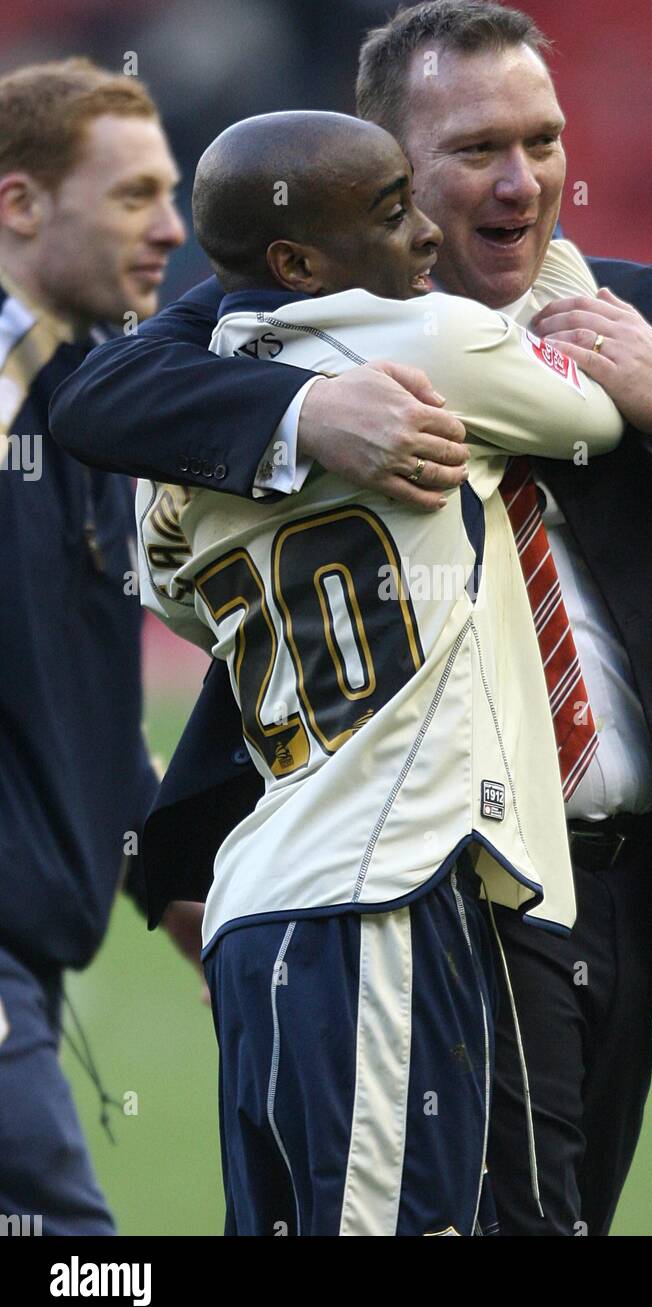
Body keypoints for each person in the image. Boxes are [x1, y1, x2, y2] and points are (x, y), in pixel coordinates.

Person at [49, 0, 652, 1237]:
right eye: (475, 152)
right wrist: (307, 420)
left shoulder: (631, 311)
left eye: (545, 139)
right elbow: (99, 393)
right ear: (380, 175)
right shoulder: (278, 313)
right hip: (443, 884)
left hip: (628, 890)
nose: (522, 180)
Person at [137, 108, 625, 1236]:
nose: (424, 239)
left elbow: (173, 595)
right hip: (380, 901)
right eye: (390, 212)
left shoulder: (193, 429)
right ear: (297, 259)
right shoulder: (431, 346)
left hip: (254, 904)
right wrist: (553, 276)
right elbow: (594, 412)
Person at [0, 57, 201, 1235]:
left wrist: (233, 946)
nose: (172, 227)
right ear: (19, 205)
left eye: (170, 193)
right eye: (132, 196)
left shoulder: (81, 404)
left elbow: (87, 739)